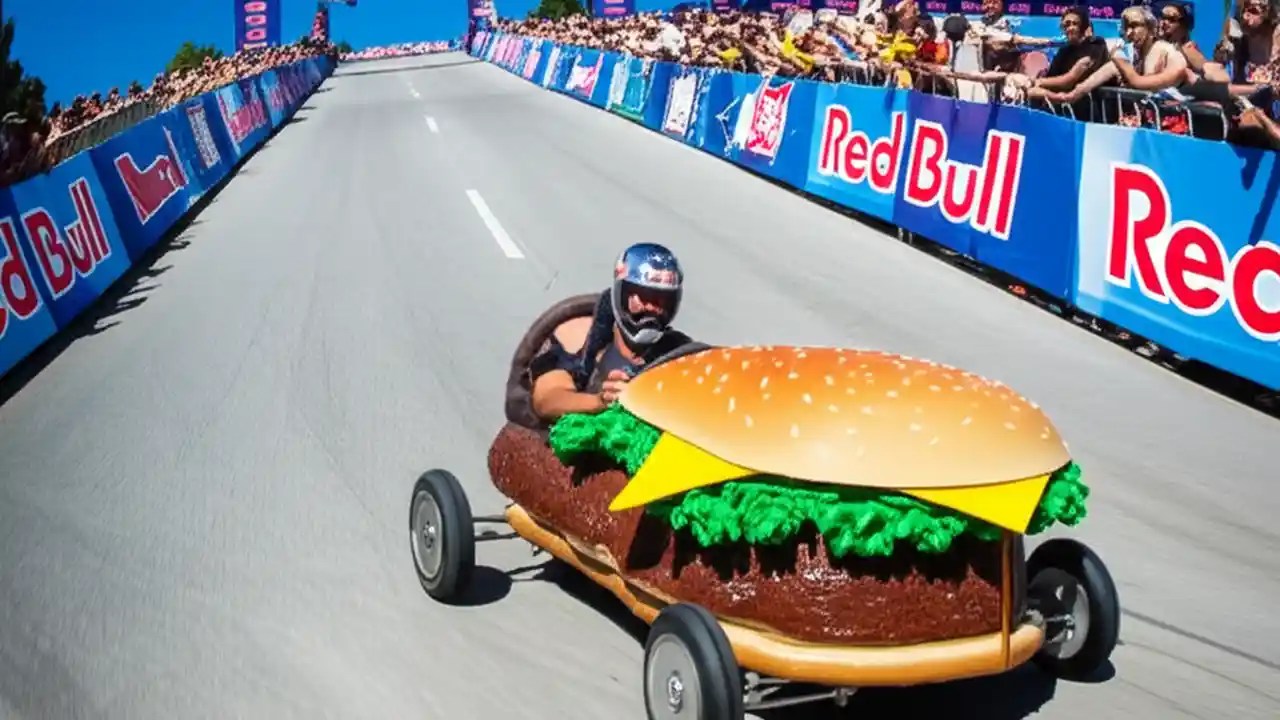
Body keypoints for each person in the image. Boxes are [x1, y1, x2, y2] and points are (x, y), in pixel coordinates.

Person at [529, 243, 694, 423]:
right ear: (621, 294)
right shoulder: (581, 335)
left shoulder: (682, 352)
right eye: (644, 297)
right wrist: (601, 401)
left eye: (663, 301)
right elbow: (546, 399)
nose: (653, 309)